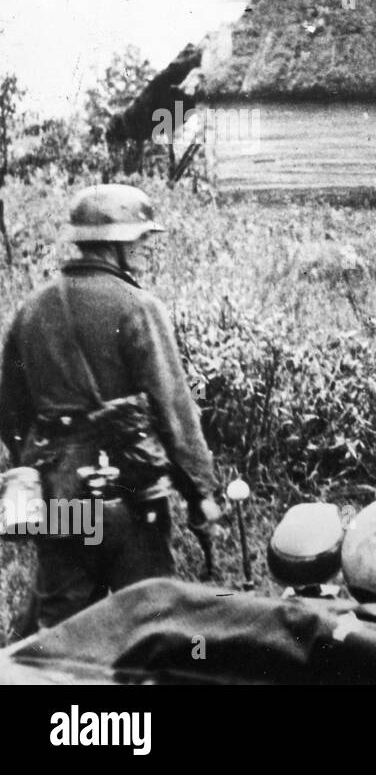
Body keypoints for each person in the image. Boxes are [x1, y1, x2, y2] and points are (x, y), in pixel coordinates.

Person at [0, 185, 222, 634]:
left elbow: (11, 410)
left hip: (64, 496)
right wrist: (202, 491)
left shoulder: (31, 309)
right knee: (148, 624)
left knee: (61, 627)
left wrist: (44, 462)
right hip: (131, 501)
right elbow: (173, 409)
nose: (146, 248)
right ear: (116, 243)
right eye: (140, 239)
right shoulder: (138, 306)